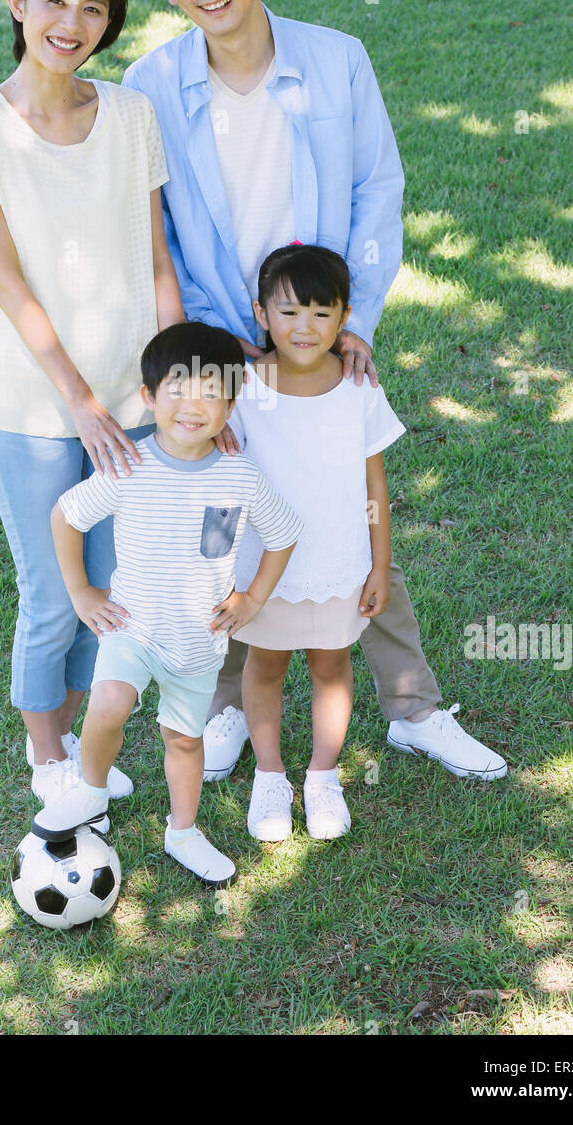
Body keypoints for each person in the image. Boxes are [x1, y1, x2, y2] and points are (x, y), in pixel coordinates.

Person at [122, 0, 507, 783]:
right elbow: (158, 229)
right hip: (226, 346)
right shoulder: (150, 85)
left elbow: (379, 191)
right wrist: (206, 352)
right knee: (221, 523)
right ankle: (218, 714)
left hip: (321, 335)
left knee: (350, 511)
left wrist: (353, 321)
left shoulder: (337, 60)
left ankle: (413, 707)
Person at [0, 0, 184, 825]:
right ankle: (46, 757)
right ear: (16, 3)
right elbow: (6, 281)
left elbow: (157, 258)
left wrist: (174, 383)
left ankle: (82, 748)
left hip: (132, 400)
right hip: (30, 405)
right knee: (53, 590)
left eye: (93, 7)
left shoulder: (130, 118)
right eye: (55, 1)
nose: (72, 22)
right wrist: (79, 405)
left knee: (114, 590)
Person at [40, 323, 302, 886]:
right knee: (109, 702)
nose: (193, 406)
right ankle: (90, 792)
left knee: (185, 742)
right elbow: (66, 515)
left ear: (231, 405)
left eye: (211, 394)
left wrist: (253, 597)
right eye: (178, 391)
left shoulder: (239, 476)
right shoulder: (130, 467)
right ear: (149, 397)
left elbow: (283, 534)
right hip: (133, 627)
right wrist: (82, 592)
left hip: (198, 641)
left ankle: (182, 830)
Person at [229, 243, 404, 841]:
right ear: (260, 314)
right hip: (264, 571)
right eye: (289, 312)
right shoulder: (243, 388)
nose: (305, 328)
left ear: (345, 316)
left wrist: (380, 565)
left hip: (338, 561)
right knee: (266, 665)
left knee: (332, 666)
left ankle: (323, 776)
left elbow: (374, 483)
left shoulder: (359, 386)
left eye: (322, 314)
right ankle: (270, 776)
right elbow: (222, 483)